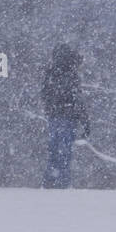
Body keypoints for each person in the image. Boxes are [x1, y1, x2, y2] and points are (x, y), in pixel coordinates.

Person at [40, 43, 89, 189]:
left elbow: (44, 94)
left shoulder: (51, 72)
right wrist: (85, 121)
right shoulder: (71, 74)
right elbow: (77, 99)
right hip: (68, 116)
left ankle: (51, 181)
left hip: (55, 115)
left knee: (55, 149)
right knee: (64, 150)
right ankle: (62, 182)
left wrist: (51, 107)